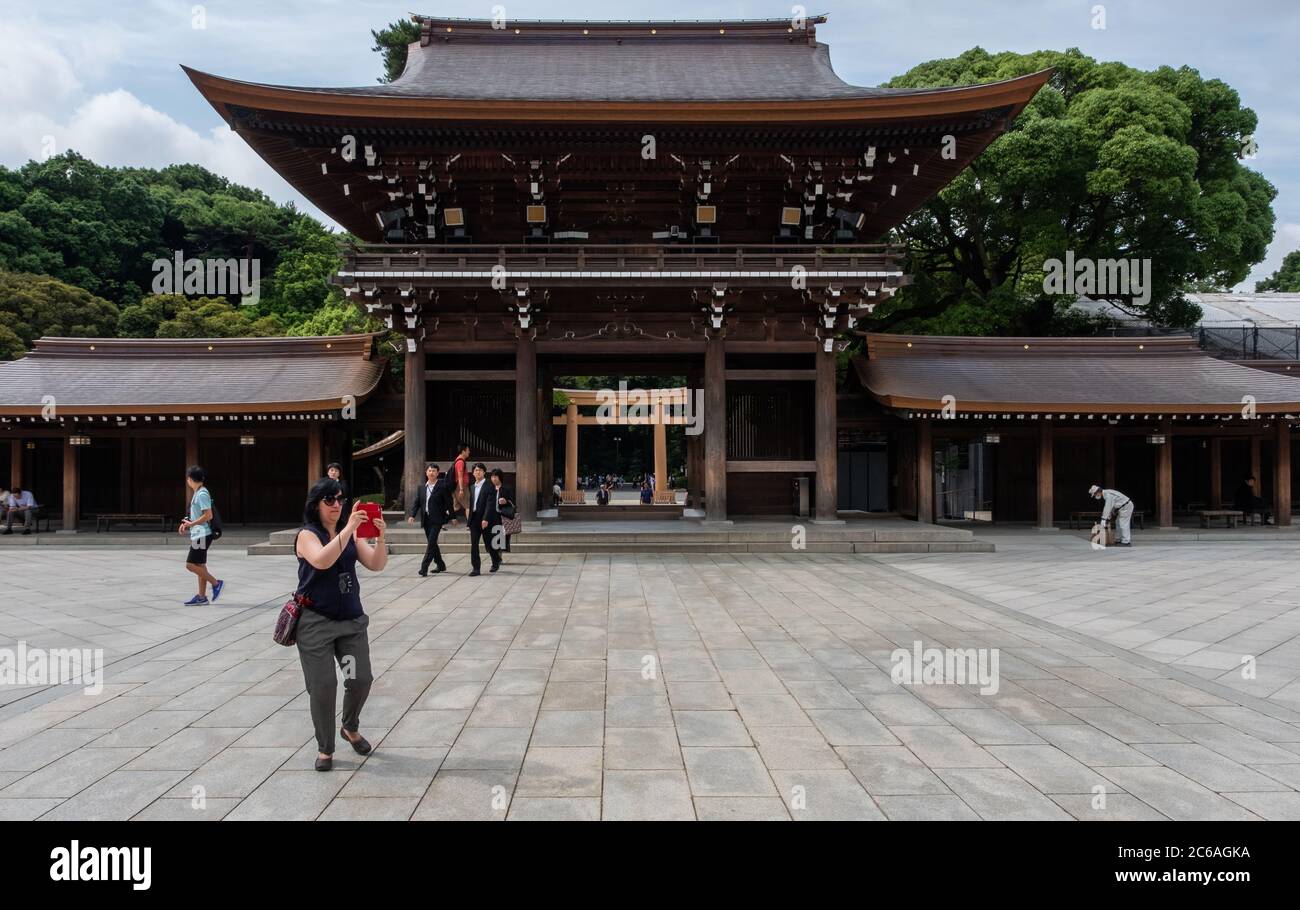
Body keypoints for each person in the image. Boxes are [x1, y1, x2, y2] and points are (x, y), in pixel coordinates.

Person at [294, 477, 386, 772]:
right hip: (315, 623)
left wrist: (380, 537)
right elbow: (321, 560)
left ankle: (349, 726)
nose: (337, 505)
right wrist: (348, 528)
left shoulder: (351, 535)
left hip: (350, 622)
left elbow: (376, 564)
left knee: (360, 678)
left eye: (340, 500)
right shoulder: (307, 535)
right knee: (323, 686)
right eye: (330, 500)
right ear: (316, 504)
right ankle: (325, 747)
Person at [178, 467, 223, 604]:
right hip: (199, 534)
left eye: (187, 478)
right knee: (200, 565)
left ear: (190, 479)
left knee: (190, 565)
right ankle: (201, 597)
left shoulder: (202, 493)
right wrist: (187, 523)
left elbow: (208, 515)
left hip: (202, 535)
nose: (187, 481)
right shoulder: (198, 493)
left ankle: (216, 583)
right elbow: (197, 513)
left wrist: (191, 525)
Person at [407, 462, 452, 575]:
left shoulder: (442, 486)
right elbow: (417, 502)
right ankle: (440, 564)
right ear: (426, 473)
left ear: (437, 473)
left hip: (437, 519)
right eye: (429, 471)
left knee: (431, 543)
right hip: (426, 519)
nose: (431, 473)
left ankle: (424, 568)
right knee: (432, 543)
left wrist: (452, 516)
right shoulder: (422, 487)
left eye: (434, 471)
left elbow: (449, 502)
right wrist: (412, 515)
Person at [466, 462, 501, 575]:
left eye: (480, 470)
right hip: (474, 519)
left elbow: (490, 504)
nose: (478, 472)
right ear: (473, 473)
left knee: (489, 543)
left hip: (486, 519)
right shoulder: (471, 487)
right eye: (475, 470)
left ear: (484, 472)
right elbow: (471, 505)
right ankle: (476, 568)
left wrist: (485, 519)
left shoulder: (489, 486)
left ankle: (496, 561)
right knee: (474, 544)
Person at [490, 468, 513, 558]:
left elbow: (512, 500)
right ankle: (495, 554)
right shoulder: (489, 488)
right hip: (491, 515)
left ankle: (499, 555)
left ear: (500, 477)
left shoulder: (507, 488)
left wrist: (506, 501)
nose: (493, 478)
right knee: (493, 534)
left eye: (495, 476)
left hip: (502, 514)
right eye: (492, 476)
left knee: (501, 535)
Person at [451, 443, 471, 525]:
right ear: (463, 451)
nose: (469, 452)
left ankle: (441, 522)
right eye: (468, 450)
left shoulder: (458, 460)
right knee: (468, 506)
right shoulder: (460, 462)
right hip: (461, 487)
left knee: (455, 507)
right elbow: (460, 476)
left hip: (457, 486)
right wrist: (462, 489)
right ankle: (470, 525)